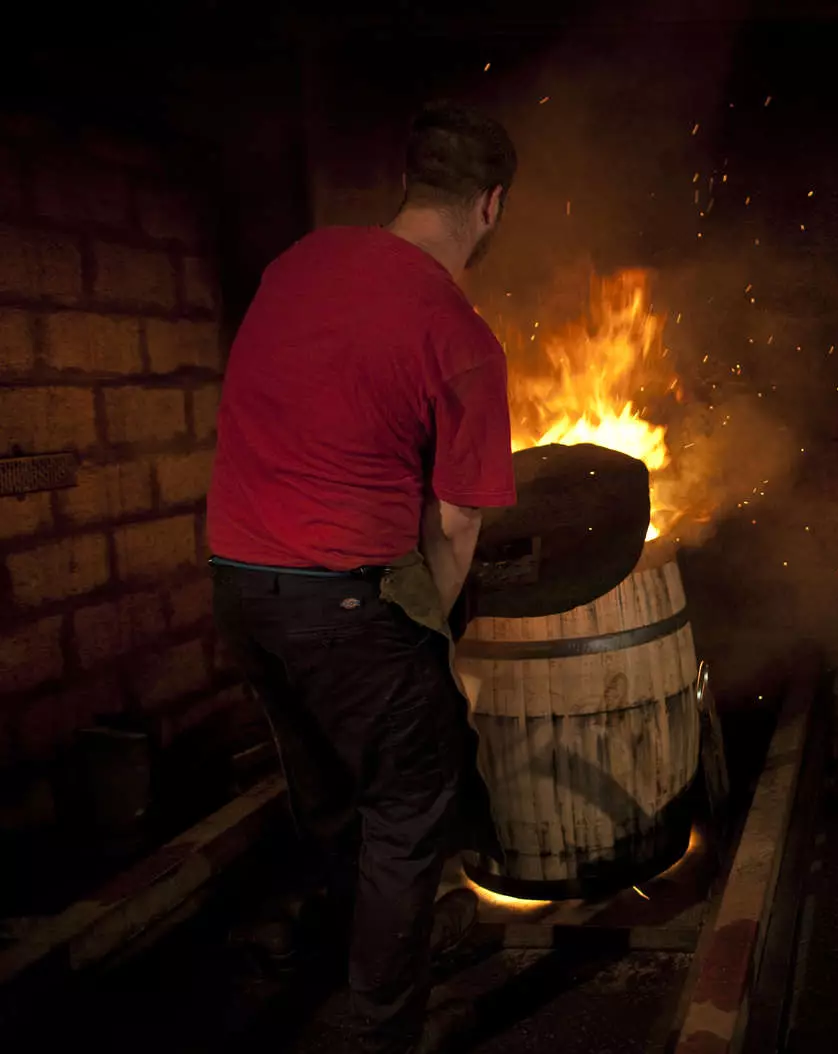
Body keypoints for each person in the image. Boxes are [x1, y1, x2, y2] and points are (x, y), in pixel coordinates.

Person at [207, 101, 518, 1053]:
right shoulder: (459, 333)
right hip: (345, 601)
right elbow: (458, 524)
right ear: (490, 205)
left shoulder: (293, 265)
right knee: (409, 801)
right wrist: (429, 629)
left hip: (238, 586)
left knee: (332, 792)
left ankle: (339, 950)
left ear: (409, 185)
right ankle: (380, 1028)